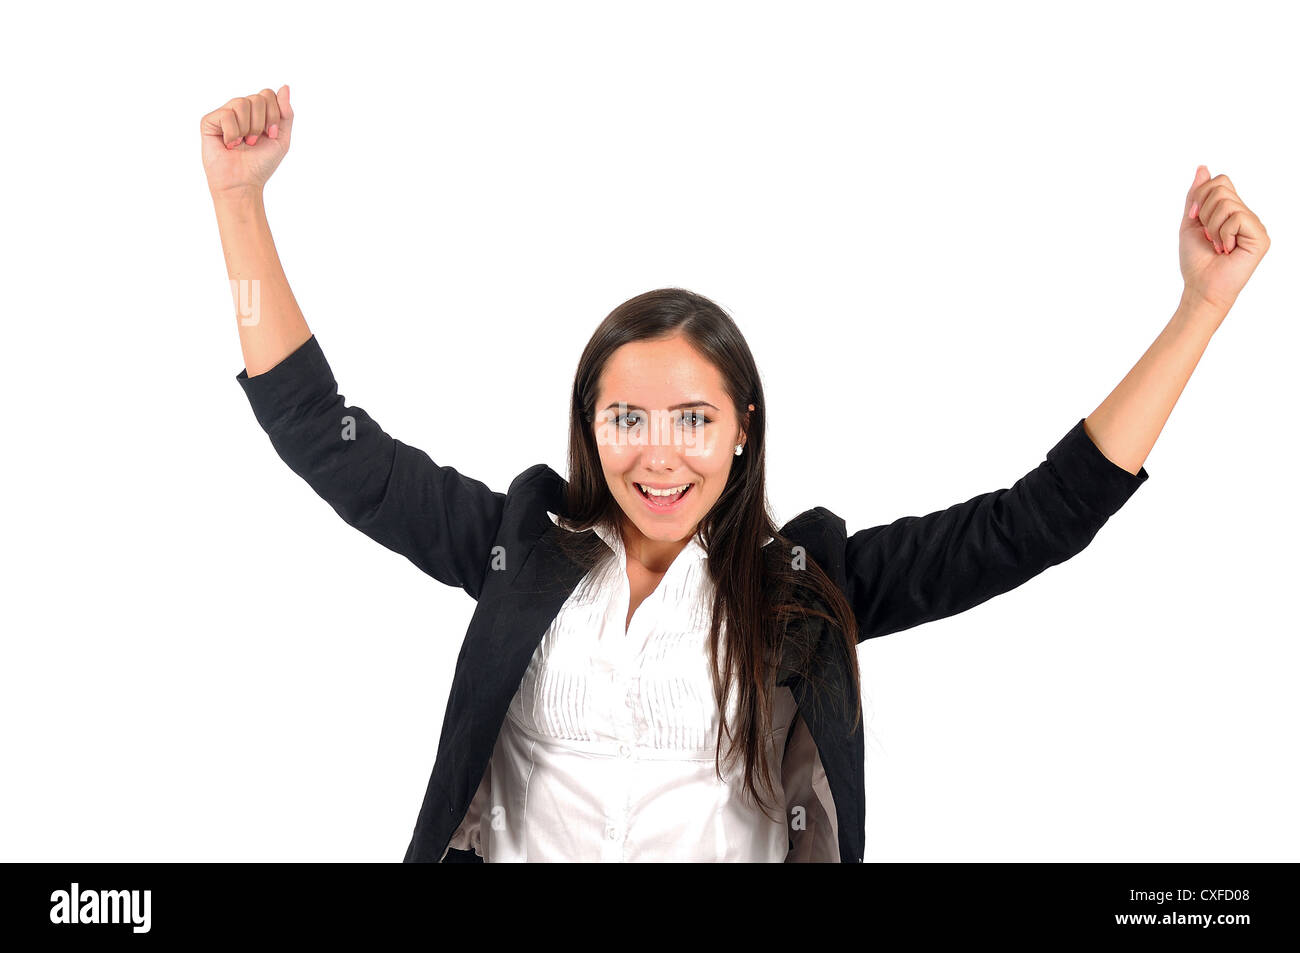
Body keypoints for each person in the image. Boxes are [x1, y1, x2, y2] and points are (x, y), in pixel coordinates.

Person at [202, 85, 1270, 862]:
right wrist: (237, 197)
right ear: (590, 425)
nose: (656, 451)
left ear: (742, 429)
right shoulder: (515, 546)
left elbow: (1037, 518)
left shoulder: (807, 588)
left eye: (691, 418)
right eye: (626, 416)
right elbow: (319, 437)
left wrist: (1200, 309)